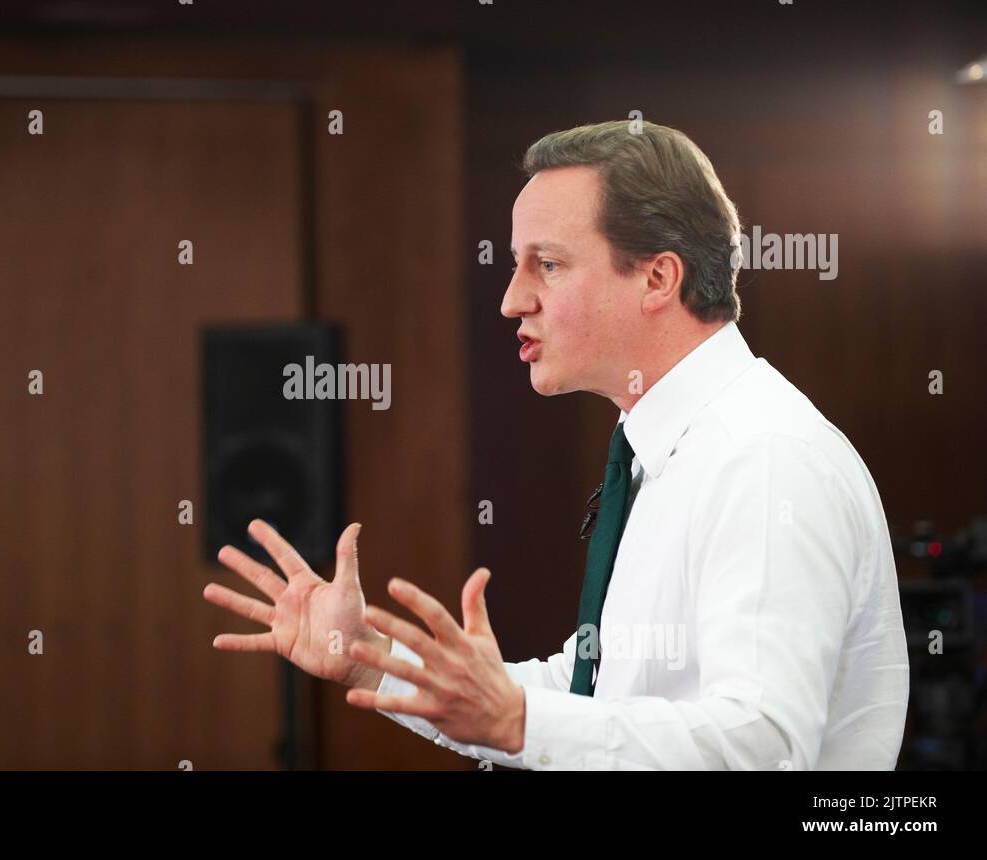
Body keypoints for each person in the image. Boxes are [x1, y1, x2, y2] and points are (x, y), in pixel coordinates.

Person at [202, 120, 910, 770]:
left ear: (658, 277)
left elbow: (763, 744)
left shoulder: (764, 459)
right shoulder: (668, 452)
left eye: (547, 264)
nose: (512, 299)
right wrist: (370, 661)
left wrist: (519, 723)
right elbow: (592, 692)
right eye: (517, 263)